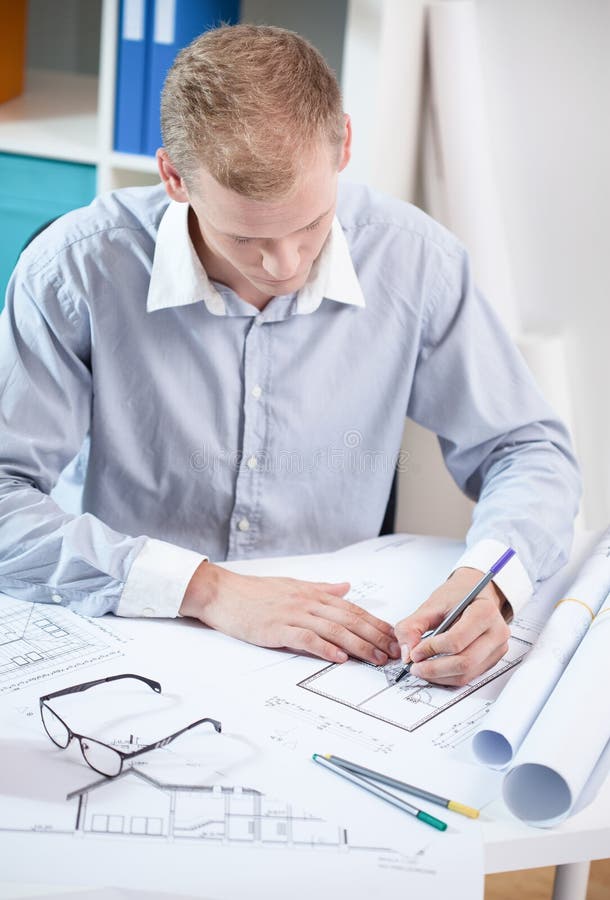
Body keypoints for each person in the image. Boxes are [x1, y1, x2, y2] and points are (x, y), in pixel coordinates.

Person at [0, 24, 580, 687]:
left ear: (344, 146)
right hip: (133, 627)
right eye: (244, 237)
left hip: (336, 653)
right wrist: (208, 590)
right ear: (173, 177)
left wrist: (492, 580)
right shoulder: (75, 269)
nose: (285, 264)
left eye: (309, 225)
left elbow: (526, 450)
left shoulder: (416, 261)